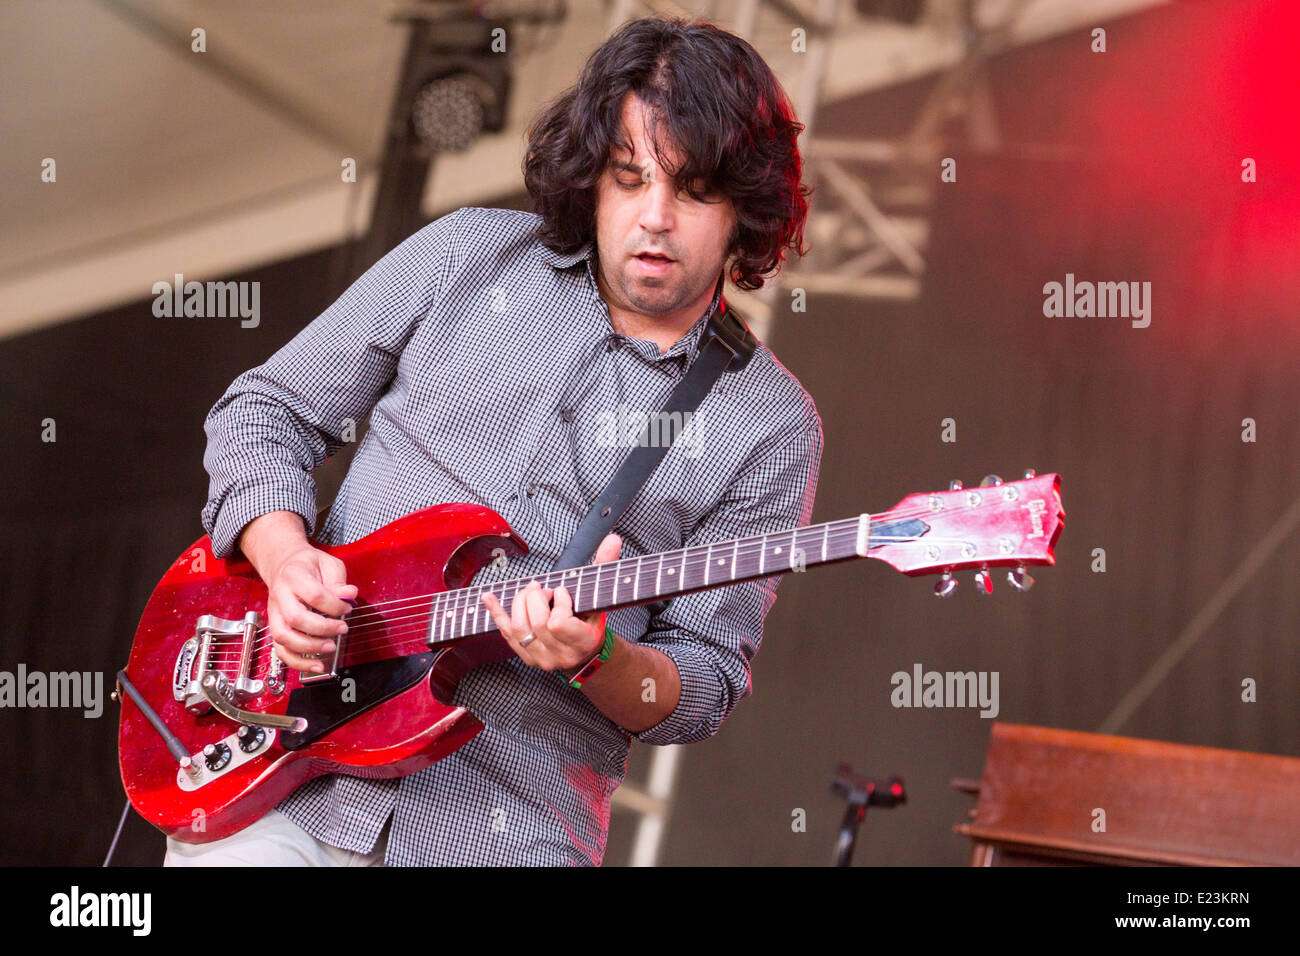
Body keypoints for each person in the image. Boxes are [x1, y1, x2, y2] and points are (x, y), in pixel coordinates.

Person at [164, 15, 821, 867]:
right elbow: (265, 411)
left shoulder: (770, 423)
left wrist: (598, 657)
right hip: (279, 768)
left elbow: (703, 682)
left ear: (746, 210)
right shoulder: (466, 254)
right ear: (593, 176)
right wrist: (285, 558)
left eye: (693, 191)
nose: (655, 218)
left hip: (503, 832)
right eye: (629, 177)